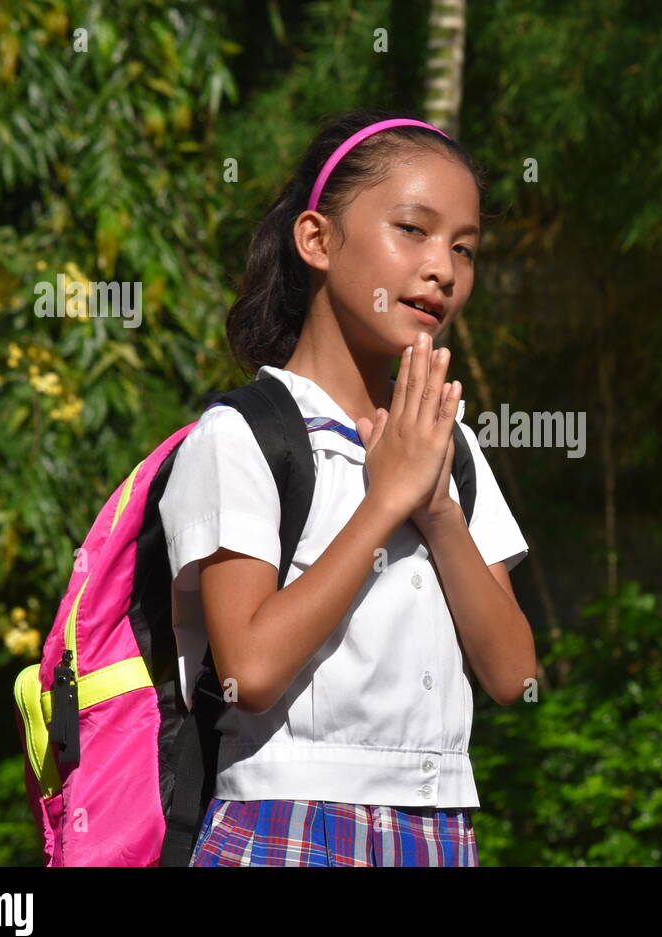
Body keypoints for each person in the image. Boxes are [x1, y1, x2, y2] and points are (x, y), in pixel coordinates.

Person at [158, 109, 535, 866]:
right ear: (317, 241)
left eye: (464, 248)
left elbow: (512, 673)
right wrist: (387, 501)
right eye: (414, 229)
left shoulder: (447, 447)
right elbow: (250, 673)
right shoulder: (242, 435)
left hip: (439, 828)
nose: (444, 269)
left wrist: (436, 509)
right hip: (286, 825)